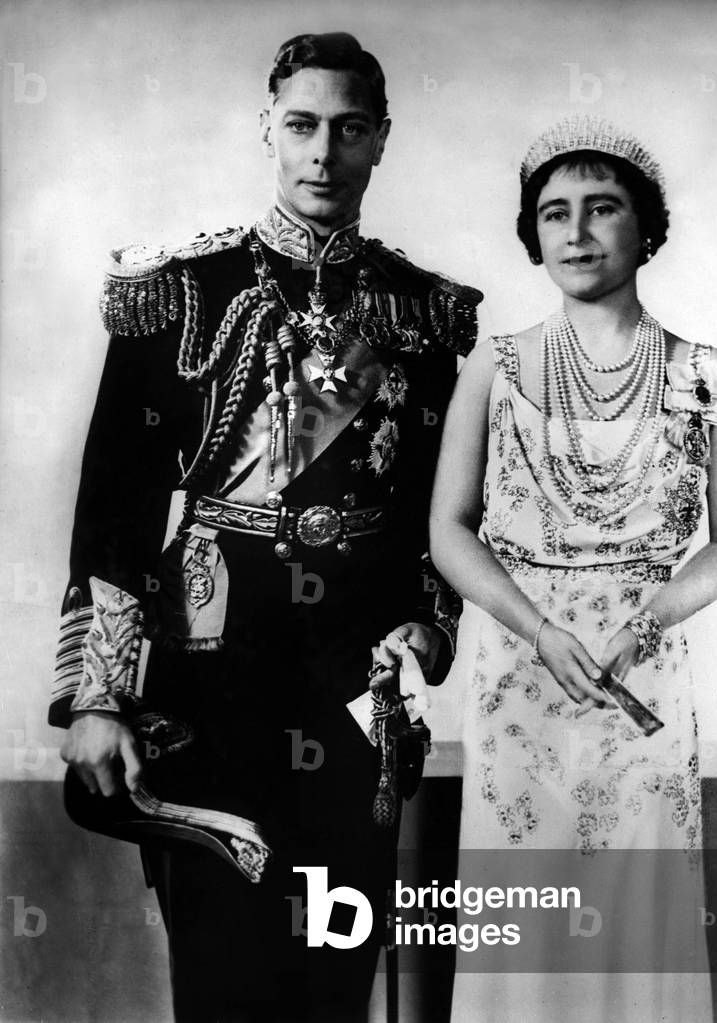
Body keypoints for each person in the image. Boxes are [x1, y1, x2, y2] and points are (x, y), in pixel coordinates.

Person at [51, 32, 481, 1022]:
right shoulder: (182, 295)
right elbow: (116, 509)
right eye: (302, 127)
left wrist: (430, 622)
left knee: (333, 983)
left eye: (348, 129)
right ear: (268, 132)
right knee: (225, 978)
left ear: (381, 141)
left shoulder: (422, 316)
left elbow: (441, 513)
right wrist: (98, 700)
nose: (323, 152)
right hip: (208, 669)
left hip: (354, 692)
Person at [430, 114, 717, 1022]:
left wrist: (640, 624)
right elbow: (449, 531)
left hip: (640, 672)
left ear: (644, 228)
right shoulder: (493, 368)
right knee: (523, 908)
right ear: (531, 236)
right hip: (519, 674)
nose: (574, 231)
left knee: (635, 909)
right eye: (552, 213)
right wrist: (536, 627)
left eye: (601, 208)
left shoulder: (707, 373)